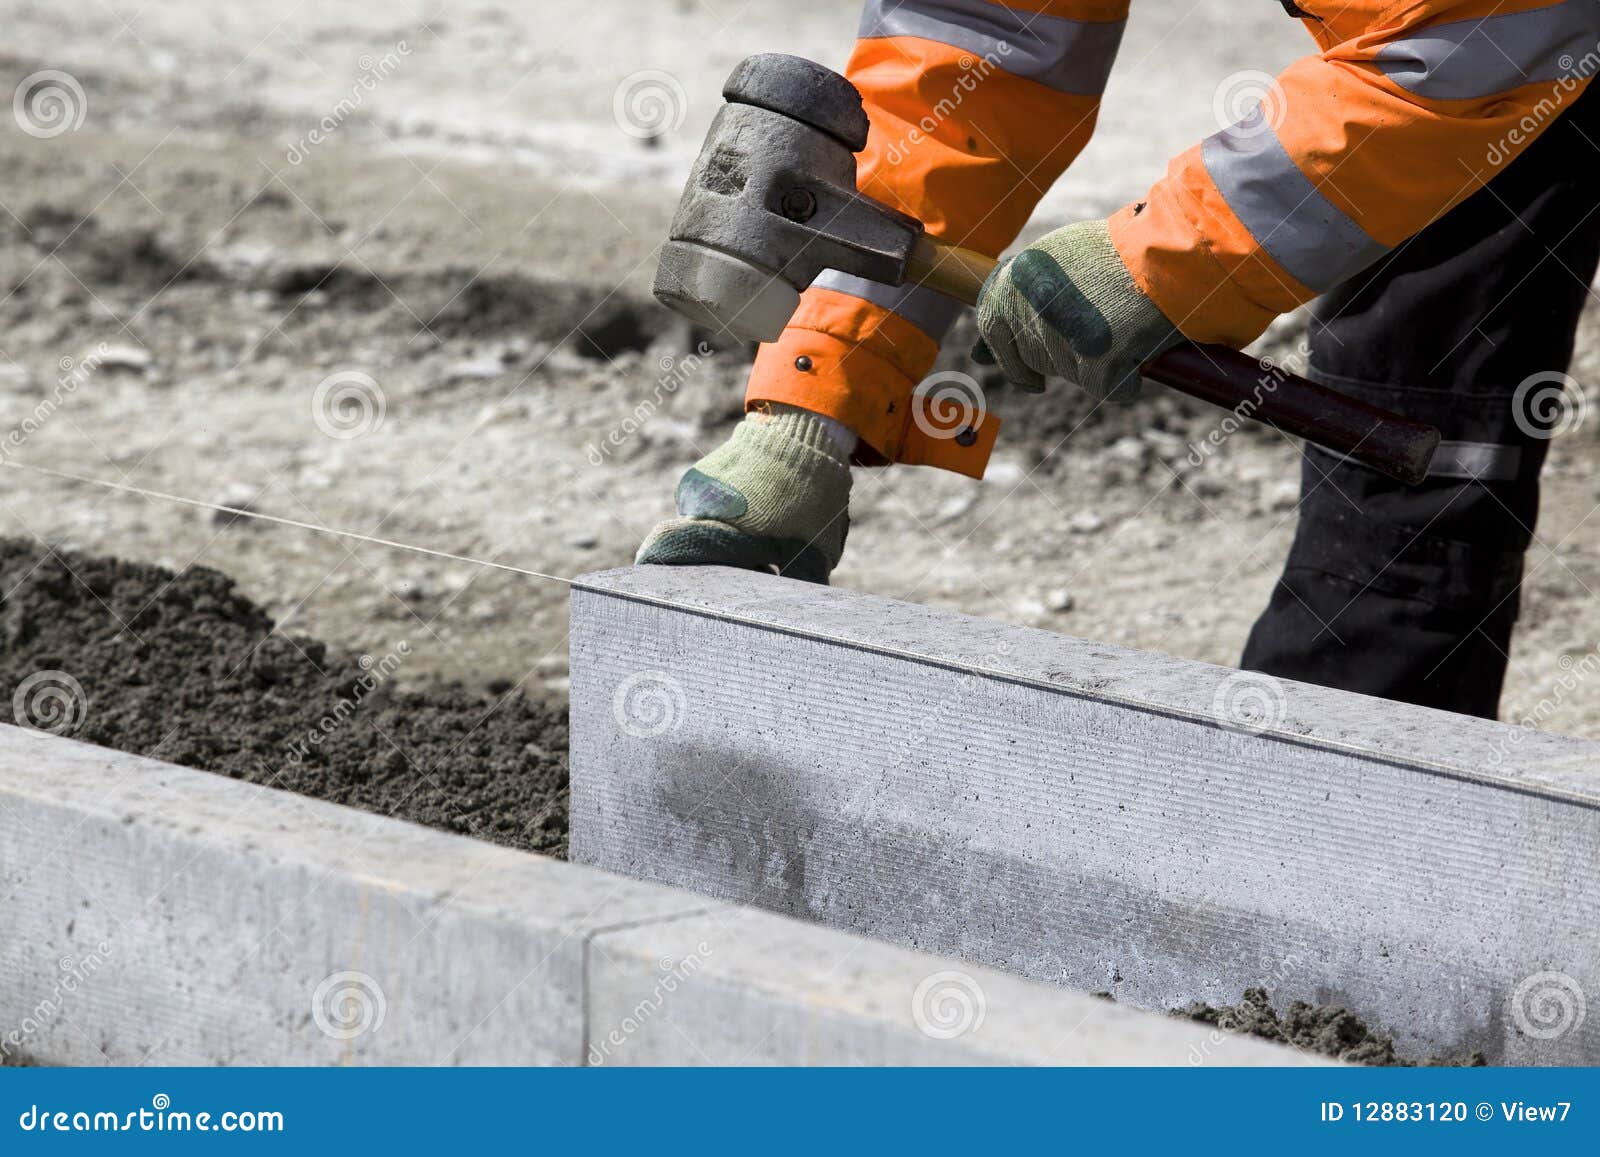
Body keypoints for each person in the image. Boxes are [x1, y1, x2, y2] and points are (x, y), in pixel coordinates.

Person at [639, 0, 1600, 718]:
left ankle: (1345, 878)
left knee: (1423, 479)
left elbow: (1485, 32)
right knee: (1398, 465)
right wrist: (815, 402)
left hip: (1510, 43)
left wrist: (1163, 263)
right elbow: (977, 38)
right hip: (1444, 45)